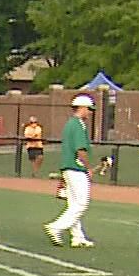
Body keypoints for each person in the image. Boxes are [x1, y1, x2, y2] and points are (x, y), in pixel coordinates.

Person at [43, 94, 95, 248]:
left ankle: (78, 236)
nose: (91, 112)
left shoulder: (70, 124)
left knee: (73, 203)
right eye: (89, 109)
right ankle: (56, 227)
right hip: (76, 168)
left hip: (69, 167)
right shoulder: (78, 124)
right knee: (81, 203)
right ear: (83, 108)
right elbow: (80, 149)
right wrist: (88, 168)